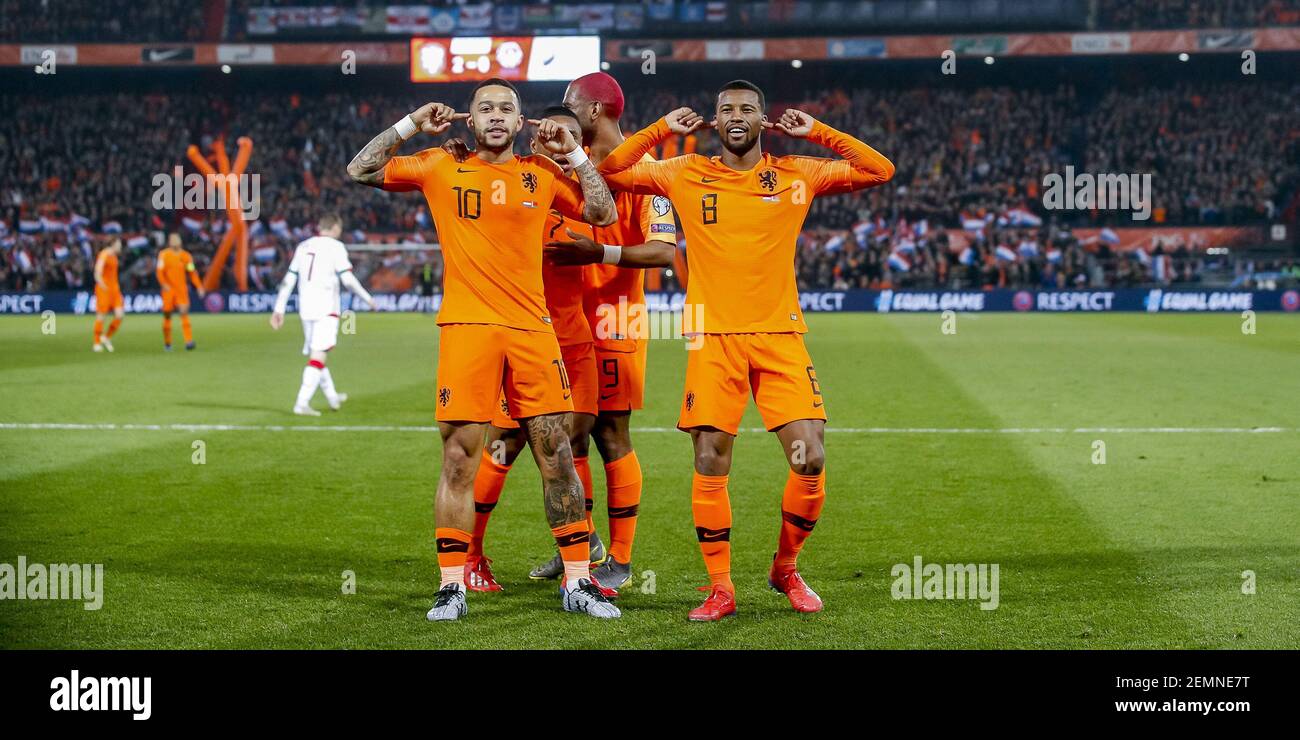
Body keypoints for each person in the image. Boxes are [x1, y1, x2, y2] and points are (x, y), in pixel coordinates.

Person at [598, 80, 895, 621]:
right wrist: (663, 129)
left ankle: (785, 569)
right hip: (713, 339)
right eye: (726, 109)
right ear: (713, 120)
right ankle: (721, 589)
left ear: (764, 120)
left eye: (747, 109)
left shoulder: (797, 173)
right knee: (711, 458)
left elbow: (880, 170)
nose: (736, 116)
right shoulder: (684, 172)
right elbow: (613, 170)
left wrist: (820, 132)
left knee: (811, 458)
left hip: (780, 336)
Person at [347, 78, 621, 622]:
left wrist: (574, 158)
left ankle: (578, 582)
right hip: (468, 327)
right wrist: (409, 125)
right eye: (485, 108)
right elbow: (360, 169)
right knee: (457, 457)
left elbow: (603, 214)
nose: (496, 115)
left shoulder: (541, 173)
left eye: (507, 108)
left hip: (531, 329)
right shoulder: (439, 165)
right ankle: (453, 584)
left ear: (521, 123)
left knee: (556, 452)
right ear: (470, 121)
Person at [270, 213, 376, 416]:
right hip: (326, 309)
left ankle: (332, 397)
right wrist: (367, 298)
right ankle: (302, 403)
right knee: (318, 356)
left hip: (306, 309)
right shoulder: (335, 247)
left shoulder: (303, 246)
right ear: (335, 227)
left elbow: (288, 279)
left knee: (317, 354)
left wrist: (279, 308)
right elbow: (348, 280)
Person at [156, 233, 205, 351]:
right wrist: (163, 284)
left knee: (184, 313)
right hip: (168, 290)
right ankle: (168, 343)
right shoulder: (163, 255)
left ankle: (189, 341)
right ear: (169, 242)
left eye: (176, 239)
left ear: (180, 241)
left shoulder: (186, 256)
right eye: (172, 239)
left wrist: (199, 286)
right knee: (167, 316)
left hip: (181, 289)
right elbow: (159, 272)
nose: (174, 241)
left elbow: (192, 272)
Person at [92, 238, 125, 352]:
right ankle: (96, 342)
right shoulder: (104, 254)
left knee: (119, 315)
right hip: (104, 289)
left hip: (114, 290)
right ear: (113, 244)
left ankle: (105, 337)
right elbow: (97, 272)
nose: (120, 247)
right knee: (101, 315)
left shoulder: (114, 256)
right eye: (119, 244)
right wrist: (102, 284)